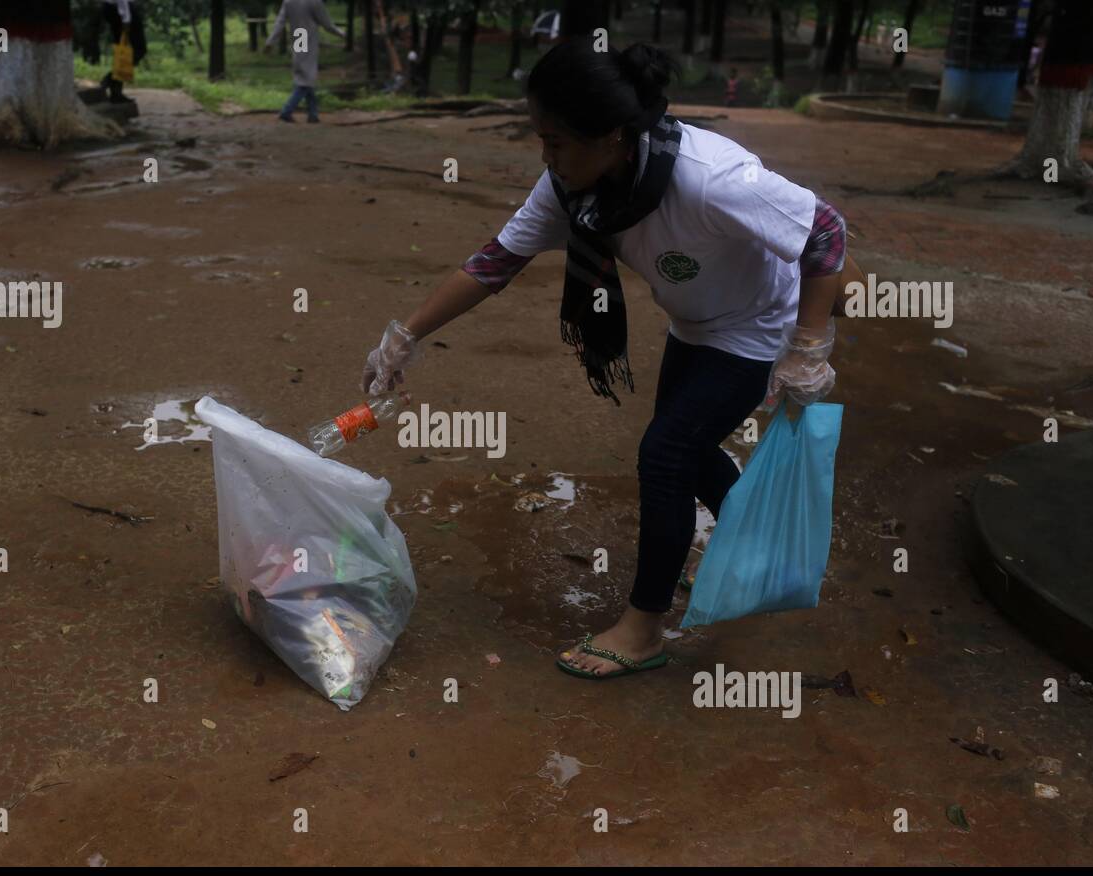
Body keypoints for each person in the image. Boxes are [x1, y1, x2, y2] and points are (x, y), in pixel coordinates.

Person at [360, 40, 863, 679]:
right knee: (690, 451)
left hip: (759, 326)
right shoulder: (574, 188)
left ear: (615, 138)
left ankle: (644, 627)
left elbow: (824, 230)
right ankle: (754, 549)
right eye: (541, 139)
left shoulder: (709, 178)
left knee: (666, 455)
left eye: (559, 143)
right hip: (695, 325)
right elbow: (495, 263)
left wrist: (809, 346)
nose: (547, 158)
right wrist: (403, 337)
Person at [264, 0, 346, 124]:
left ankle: (313, 114)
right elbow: (327, 24)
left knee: (305, 74)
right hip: (308, 38)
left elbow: (280, 23)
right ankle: (287, 111)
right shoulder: (314, 2)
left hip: (298, 37)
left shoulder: (289, 2)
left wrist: (270, 41)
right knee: (306, 78)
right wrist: (342, 34)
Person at [100, 0, 147, 104]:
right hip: (121, 8)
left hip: (112, 8)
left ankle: (116, 93)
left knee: (122, 50)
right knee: (139, 49)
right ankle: (111, 79)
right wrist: (126, 18)